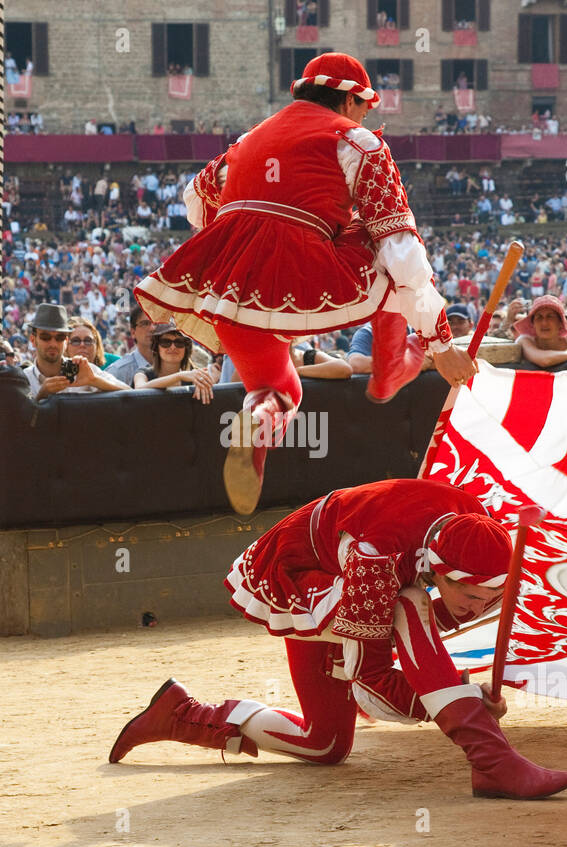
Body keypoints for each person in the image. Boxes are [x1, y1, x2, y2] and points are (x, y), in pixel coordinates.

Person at [135, 53, 474, 515]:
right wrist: (442, 343)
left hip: (226, 280)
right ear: (348, 99)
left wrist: (245, 243)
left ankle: (259, 418)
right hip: (300, 273)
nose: (367, 114)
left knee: (280, 390)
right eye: (364, 104)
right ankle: (393, 366)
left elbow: (195, 199)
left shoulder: (249, 139)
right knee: (382, 241)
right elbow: (401, 250)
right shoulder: (358, 142)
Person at [108, 479, 567, 800]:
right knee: (407, 601)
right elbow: (372, 685)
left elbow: (416, 625)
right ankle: (491, 759)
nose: (479, 609)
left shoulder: (476, 529)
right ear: (440, 571)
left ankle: (181, 716)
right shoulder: (379, 561)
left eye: (490, 600)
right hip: (298, 573)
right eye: (472, 596)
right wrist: (464, 703)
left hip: (347, 578)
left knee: (325, 746)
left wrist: (454, 694)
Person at [133, 322, 216, 404]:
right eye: (166, 342)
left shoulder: (196, 377)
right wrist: (179, 376)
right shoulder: (143, 373)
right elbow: (139, 390)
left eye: (179, 342)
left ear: (186, 348)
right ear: (156, 347)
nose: (173, 347)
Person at [514, 296, 567, 370]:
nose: (544, 323)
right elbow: (544, 360)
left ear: (561, 323)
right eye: (539, 317)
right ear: (533, 324)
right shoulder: (524, 341)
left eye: (550, 316)